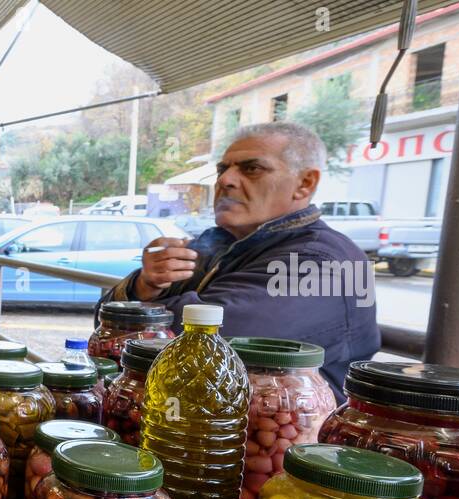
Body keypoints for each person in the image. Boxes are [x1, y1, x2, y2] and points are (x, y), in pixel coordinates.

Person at [99, 121, 378, 399]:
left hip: (286, 435)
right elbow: (106, 327)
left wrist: (140, 309)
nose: (224, 180)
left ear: (304, 184)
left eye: (252, 169)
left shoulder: (322, 262)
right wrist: (147, 284)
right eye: (223, 169)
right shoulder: (220, 244)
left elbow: (198, 346)